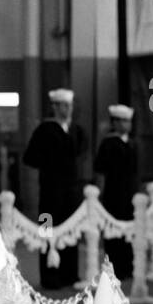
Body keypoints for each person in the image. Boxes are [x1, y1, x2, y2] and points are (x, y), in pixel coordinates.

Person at [23, 87, 87, 289]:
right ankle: (49, 277)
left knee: (71, 231)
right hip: (50, 192)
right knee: (47, 231)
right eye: (64, 105)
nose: (68, 109)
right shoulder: (44, 130)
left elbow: (81, 154)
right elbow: (29, 158)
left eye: (70, 105)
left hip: (71, 192)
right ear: (55, 107)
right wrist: (50, 163)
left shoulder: (76, 130)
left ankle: (70, 274)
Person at [94, 104, 139, 280]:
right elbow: (100, 172)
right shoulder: (108, 143)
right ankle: (113, 269)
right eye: (124, 121)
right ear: (115, 122)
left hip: (130, 195)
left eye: (129, 121)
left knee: (128, 234)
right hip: (113, 195)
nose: (128, 125)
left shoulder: (132, 143)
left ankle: (127, 268)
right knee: (113, 235)